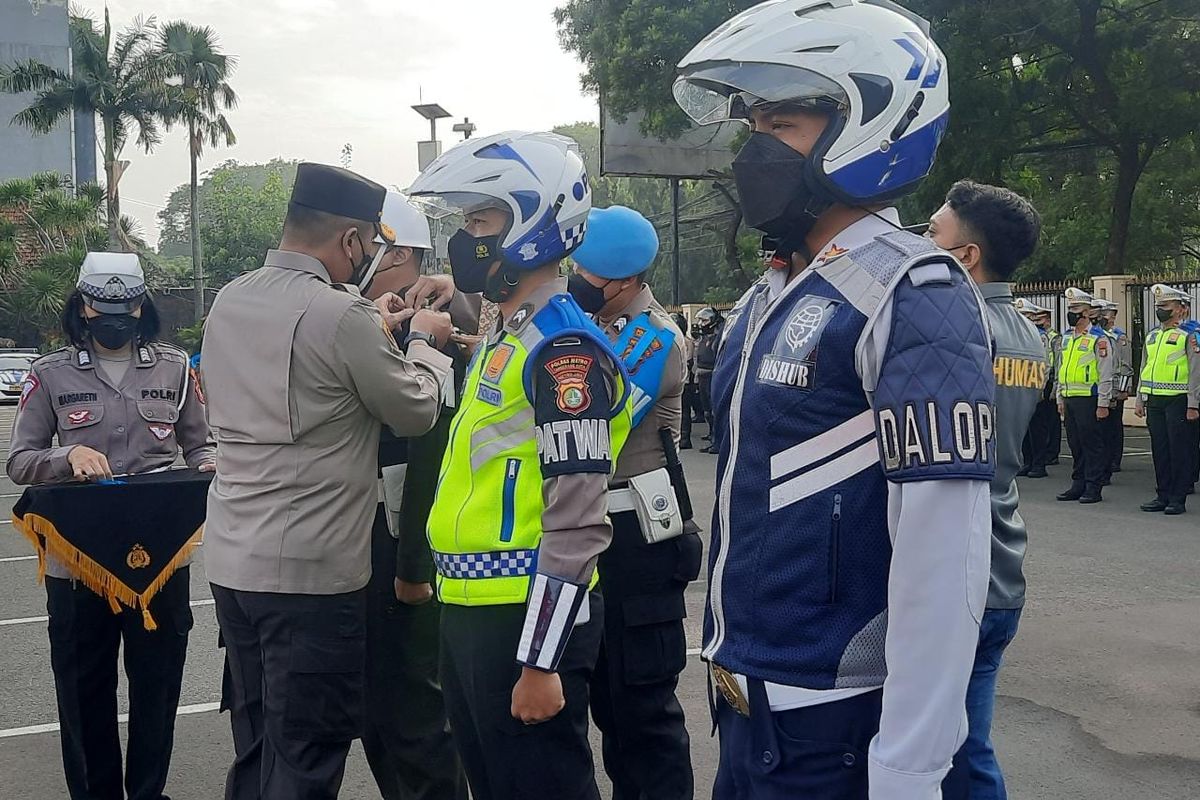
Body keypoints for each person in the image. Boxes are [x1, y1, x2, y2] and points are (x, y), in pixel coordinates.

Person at [674, 2, 995, 798]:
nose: (754, 146)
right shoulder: (770, 292)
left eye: (780, 121)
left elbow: (946, 546)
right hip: (746, 705)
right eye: (752, 121)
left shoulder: (913, 288)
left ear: (871, 120)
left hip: (835, 722)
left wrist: (912, 765)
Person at [201, 163, 455, 800]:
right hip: (311, 576)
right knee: (307, 754)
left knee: (258, 747)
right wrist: (422, 343)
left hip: (234, 562)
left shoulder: (228, 299)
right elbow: (416, 410)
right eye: (370, 245)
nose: (370, 258)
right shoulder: (341, 315)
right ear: (349, 241)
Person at [409, 130, 633, 800]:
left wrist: (541, 658)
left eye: (481, 222)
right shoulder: (513, 330)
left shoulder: (563, 347)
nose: (466, 237)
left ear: (532, 225)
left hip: (521, 617)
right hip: (472, 606)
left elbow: (577, 516)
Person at [7, 252, 215, 800]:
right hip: (77, 561)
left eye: (126, 308)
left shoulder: (174, 369)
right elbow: (20, 461)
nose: (116, 318)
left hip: (160, 556)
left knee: (158, 686)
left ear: (141, 307)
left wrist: (215, 467)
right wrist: (66, 455)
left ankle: (148, 792)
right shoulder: (49, 374)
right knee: (82, 691)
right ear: (84, 308)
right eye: (104, 309)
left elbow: (201, 445)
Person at [569, 205, 701, 800]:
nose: (574, 278)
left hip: (636, 538)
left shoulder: (654, 338)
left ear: (622, 282)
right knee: (600, 699)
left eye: (585, 272)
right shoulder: (594, 321)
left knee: (640, 714)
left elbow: (596, 422)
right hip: (597, 530)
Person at [927, 181, 1044, 800]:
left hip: (956, 563)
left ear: (965, 256)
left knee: (953, 749)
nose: (922, 245)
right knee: (969, 735)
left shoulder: (954, 330)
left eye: (932, 234)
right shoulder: (1031, 335)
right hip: (1005, 558)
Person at [358, 190, 471, 800]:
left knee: (416, 721)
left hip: (408, 549)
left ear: (395, 251)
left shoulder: (439, 333)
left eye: (365, 244)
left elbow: (430, 455)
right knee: (381, 713)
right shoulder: (376, 320)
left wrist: (412, 568)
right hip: (367, 544)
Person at [1135, 284, 1200, 515]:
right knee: (1159, 450)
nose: (1160, 309)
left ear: (1181, 309)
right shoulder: (1152, 336)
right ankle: (1162, 494)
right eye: (1158, 306)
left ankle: (1177, 498)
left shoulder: (1190, 335)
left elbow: (1196, 371)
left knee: (1178, 450)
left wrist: (1193, 403)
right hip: (1154, 400)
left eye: (1165, 305)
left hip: (1178, 400)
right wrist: (1140, 399)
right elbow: (1144, 367)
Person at [1055, 287, 1114, 504]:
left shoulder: (1099, 339)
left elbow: (1105, 372)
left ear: (1088, 313)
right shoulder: (1067, 338)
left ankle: (1093, 486)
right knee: (1075, 444)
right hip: (1070, 396)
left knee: (1091, 444)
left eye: (1076, 308)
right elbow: (1062, 369)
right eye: (1070, 308)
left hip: (1089, 398)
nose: (1072, 312)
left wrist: (1103, 402)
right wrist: (1060, 397)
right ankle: (1078, 483)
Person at [1015, 298, 1060, 479]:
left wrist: (1041, 388)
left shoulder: (1039, 336)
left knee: (1037, 427)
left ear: (1032, 317)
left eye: (1024, 315)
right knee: (1023, 427)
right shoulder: (1017, 335)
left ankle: (1039, 463)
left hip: (1035, 385)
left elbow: (1045, 364)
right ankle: (1027, 461)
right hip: (1020, 384)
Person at [1094, 299, 1133, 474]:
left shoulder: (1119, 336)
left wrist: (1123, 389)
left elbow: (1125, 365)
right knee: (1103, 427)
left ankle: (1115, 459)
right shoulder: (1097, 335)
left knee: (1114, 427)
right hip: (1102, 386)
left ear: (1113, 316)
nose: (1103, 317)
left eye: (1106, 313)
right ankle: (1105, 460)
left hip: (1117, 387)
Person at [692, 307, 721, 454]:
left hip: (711, 376)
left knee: (714, 410)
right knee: (707, 411)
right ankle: (711, 435)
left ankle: (717, 440)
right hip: (702, 376)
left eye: (704, 320)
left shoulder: (718, 338)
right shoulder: (703, 339)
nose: (701, 323)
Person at [673, 311, 699, 450]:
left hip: (686, 380)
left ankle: (685, 438)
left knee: (685, 412)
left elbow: (687, 361)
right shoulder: (672, 340)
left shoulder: (687, 342)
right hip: (675, 381)